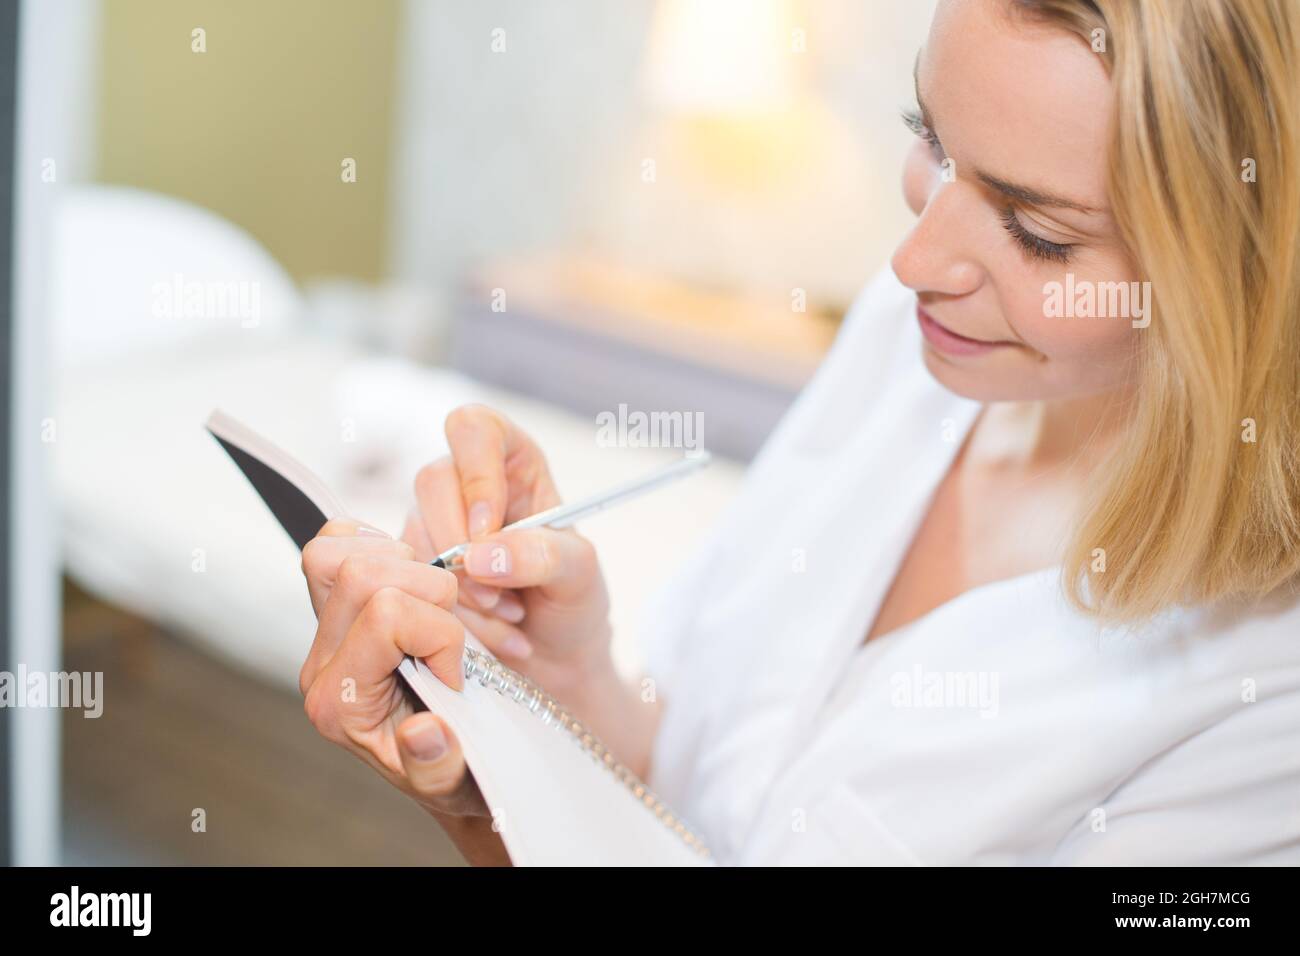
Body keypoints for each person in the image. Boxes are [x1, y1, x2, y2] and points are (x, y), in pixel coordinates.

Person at [297, 0, 1300, 865]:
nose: (912, 259)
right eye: (931, 141)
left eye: (1038, 232)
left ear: (1239, 272)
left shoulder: (1263, 698)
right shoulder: (906, 341)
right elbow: (700, 795)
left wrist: (485, 833)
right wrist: (563, 674)